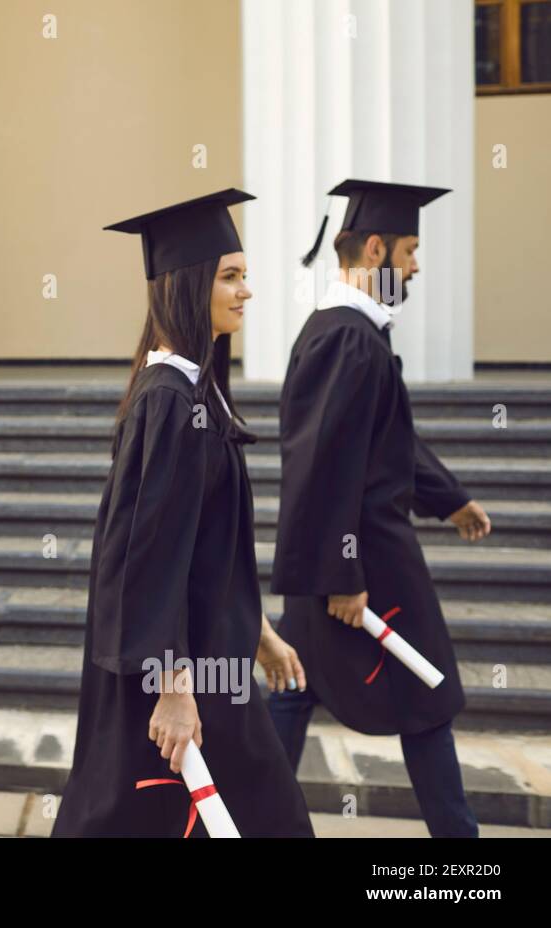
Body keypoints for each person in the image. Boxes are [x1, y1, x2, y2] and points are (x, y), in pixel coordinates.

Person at [53, 190, 313, 838]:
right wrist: (172, 687)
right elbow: (146, 556)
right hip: (186, 676)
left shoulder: (191, 391)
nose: (246, 291)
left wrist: (259, 635)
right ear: (187, 284)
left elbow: (202, 548)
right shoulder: (169, 400)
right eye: (230, 276)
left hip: (210, 665)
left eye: (244, 275)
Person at [270, 179, 492, 838]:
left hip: (343, 555)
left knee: (294, 687)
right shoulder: (348, 339)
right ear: (375, 249)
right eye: (412, 250)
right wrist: (343, 574)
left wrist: (449, 499)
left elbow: (378, 441)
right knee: (426, 699)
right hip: (364, 560)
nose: (418, 265)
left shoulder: (352, 333)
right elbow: (321, 466)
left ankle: (248, 823)